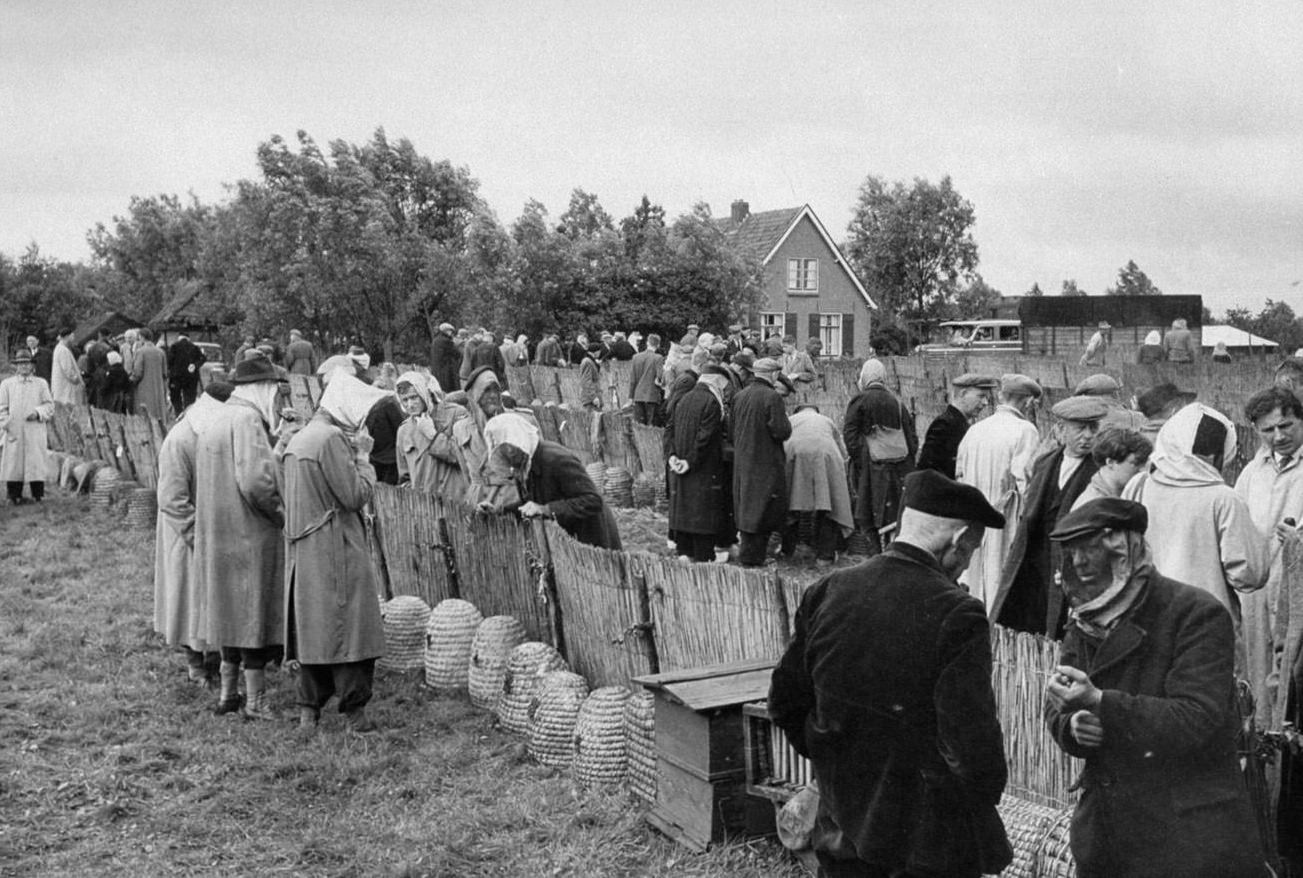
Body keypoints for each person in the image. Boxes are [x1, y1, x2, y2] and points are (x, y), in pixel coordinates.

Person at [769, 470, 1012, 878]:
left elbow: (785, 702)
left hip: (840, 828)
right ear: (959, 539)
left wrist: (831, 757)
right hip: (924, 843)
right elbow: (971, 747)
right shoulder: (958, 612)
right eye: (971, 551)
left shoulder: (829, 589)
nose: (965, 566)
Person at [1044, 498, 1265, 878]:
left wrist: (1101, 703)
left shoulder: (1195, 613)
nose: (1079, 564)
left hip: (1186, 837)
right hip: (1108, 835)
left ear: (1124, 552)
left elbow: (1196, 718)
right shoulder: (1086, 617)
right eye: (1072, 553)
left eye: (1090, 551)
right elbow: (1058, 706)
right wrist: (1074, 726)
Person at [283, 372, 389, 733]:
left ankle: (308, 713)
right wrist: (363, 457)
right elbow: (354, 495)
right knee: (351, 630)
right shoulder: (330, 439)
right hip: (335, 549)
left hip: (307, 549)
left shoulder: (301, 437)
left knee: (314, 631)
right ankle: (355, 714)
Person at [193, 356, 286, 720]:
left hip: (218, 534)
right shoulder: (247, 419)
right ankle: (255, 701)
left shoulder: (216, 416)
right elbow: (255, 482)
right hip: (248, 535)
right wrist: (279, 514)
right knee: (252, 620)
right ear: (262, 388)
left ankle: (227, 694)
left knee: (230, 617)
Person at [1123, 401, 1266, 616]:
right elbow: (1249, 575)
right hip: (1206, 621)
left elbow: (1122, 550)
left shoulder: (1140, 485)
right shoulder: (1223, 499)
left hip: (1147, 614)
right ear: (1221, 454)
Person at [993, 395, 1107, 637]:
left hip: (1069, 559)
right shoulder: (1045, 462)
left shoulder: (1100, 469)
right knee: (1029, 617)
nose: (1088, 435)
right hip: (1035, 555)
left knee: (1061, 623)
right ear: (1060, 430)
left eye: (1093, 428)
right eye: (1080, 428)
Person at [154, 382, 233, 686]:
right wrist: (198, 537)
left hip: (214, 533)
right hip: (186, 535)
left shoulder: (215, 433)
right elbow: (172, 500)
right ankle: (195, 664)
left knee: (212, 601)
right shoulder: (181, 439)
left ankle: (216, 657)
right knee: (190, 601)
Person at [1235, 387, 1303, 736]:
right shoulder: (1252, 472)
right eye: (1268, 430)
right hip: (1259, 593)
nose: (1278, 436)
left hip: (1299, 596)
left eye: (1286, 425)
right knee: (1260, 676)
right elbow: (1235, 525)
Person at [956, 374, 1043, 611]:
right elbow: (1026, 481)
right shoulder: (1026, 431)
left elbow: (960, 474)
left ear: (1002, 397)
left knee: (976, 574)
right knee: (1001, 573)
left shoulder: (975, 430)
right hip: (1005, 516)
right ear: (1027, 402)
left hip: (975, 512)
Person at [480, 413, 622, 549]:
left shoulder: (554, 459)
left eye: (511, 445)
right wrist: (500, 511)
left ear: (521, 438)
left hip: (592, 537)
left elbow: (592, 500)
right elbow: (530, 504)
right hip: (566, 540)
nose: (509, 452)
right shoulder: (522, 466)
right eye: (503, 448)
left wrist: (546, 509)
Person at [843, 358, 917, 555]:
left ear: (864, 378)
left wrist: (862, 460)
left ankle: (876, 555)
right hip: (899, 469)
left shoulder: (860, 400)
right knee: (896, 516)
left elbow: (850, 435)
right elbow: (912, 439)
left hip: (872, 469)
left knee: (870, 515)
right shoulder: (898, 402)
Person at [664, 364, 731, 562]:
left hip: (681, 463)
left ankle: (685, 551)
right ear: (717, 380)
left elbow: (672, 430)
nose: (724, 390)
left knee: (685, 508)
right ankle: (704, 555)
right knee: (703, 511)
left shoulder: (684, 398)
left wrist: (674, 456)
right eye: (723, 385)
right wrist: (690, 461)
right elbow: (705, 437)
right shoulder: (710, 402)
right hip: (702, 466)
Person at [730, 358, 793, 567]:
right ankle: (752, 559)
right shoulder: (772, 397)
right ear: (773, 375)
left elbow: (731, 431)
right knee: (764, 511)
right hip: (766, 463)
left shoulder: (739, 396)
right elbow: (782, 431)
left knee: (748, 508)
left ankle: (749, 556)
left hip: (743, 462)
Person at [783, 405, 854, 565]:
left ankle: (788, 551)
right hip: (826, 455)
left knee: (791, 505)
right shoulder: (827, 421)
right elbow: (844, 453)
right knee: (828, 505)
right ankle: (825, 556)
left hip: (795, 454)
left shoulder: (790, 420)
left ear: (798, 411)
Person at [395, 371, 469, 499]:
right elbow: (405, 476)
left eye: (414, 397)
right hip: (425, 507)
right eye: (405, 400)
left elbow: (465, 458)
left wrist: (433, 435)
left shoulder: (455, 414)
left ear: (425, 394)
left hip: (455, 502)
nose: (410, 405)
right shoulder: (404, 430)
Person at [917, 373, 997, 480]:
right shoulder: (945, 424)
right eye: (981, 396)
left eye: (987, 398)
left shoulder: (959, 422)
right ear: (963, 394)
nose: (985, 403)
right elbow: (928, 468)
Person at [0, 348, 54, 505]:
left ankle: (38, 495)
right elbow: (1, 408)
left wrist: (37, 413)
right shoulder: (7, 385)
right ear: (16, 366)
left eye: (27, 364)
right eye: (21, 364)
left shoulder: (40, 383)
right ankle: (13, 495)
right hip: (14, 429)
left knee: (35, 461)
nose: (24, 367)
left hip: (34, 428)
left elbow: (49, 405)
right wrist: (7, 423)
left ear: (32, 366)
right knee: (13, 462)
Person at [1071, 427, 1152, 510]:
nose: (1143, 470)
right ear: (1110, 462)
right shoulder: (1094, 507)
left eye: (1145, 463)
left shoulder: (1118, 497)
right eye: (1136, 463)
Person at [131, 328, 169, 419]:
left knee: (144, 412)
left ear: (142, 337)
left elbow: (138, 372)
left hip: (144, 387)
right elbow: (165, 372)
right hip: (158, 386)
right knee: (158, 411)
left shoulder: (140, 352)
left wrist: (130, 381)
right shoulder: (161, 352)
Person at [628, 333, 665, 426]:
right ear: (658, 345)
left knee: (639, 426)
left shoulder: (636, 357)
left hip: (638, 395)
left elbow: (632, 380)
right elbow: (660, 376)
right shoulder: (658, 358)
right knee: (651, 426)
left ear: (647, 343)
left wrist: (630, 397)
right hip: (652, 396)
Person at [167, 333, 205, 413]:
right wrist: (195, 365)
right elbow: (203, 358)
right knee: (190, 398)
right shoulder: (194, 347)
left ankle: (178, 413)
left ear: (179, 338)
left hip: (176, 377)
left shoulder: (174, 346)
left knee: (176, 397)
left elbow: (169, 361)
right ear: (188, 338)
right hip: (191, 377)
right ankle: (188, 414)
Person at [50, 329, 84, 405]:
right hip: (65, 387)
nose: (73, 339)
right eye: (72, 336)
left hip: (62, 386)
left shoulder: (60, 348)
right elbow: (67, 370)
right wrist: (77, 379)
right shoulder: (63, 350)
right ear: (67, 336)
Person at [430, 322, 461, 394]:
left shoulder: (435, 340)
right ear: (445, 331)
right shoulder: (446, 341)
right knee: (450, 391)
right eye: (450, 331)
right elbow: (457, 354)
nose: (451, 333)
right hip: (446, 371)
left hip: (437, 370)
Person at [578, 342, 604, 411]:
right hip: (590, 400)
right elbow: (586, 381)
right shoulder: (587, 362)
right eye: (599, 351)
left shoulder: (591, 361)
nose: (600, 353)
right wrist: (593, 397)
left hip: (594, 397)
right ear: (596, 351)